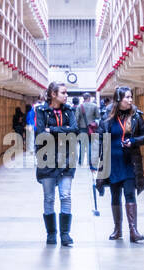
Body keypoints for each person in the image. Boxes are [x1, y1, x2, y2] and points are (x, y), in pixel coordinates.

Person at [97, 85, 144, 242]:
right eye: (127, 97)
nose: (131, 100)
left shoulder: (136, 116)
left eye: (131, 97)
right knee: (115, 195)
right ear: (118, 99)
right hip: (112, 162)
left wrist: (133, 141)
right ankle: (117, 229)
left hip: (129, 162)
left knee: (129, 193)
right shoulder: (107, 117)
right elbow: (100, 138)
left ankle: (133, 230)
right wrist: (97, 163)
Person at [33, 81, 80, 246]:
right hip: (47, 160)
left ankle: (65, 234)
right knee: (49, 198)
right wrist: (63, 131)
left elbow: (74, 131)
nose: (67, 96)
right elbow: (40, 133)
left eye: (67, 93)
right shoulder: (41, 111)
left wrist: (51, 130)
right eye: (63, 93)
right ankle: (51, 233)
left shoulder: (69, 111)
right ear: (53, 94)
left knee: (65, 196)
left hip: (67, 159)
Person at [77, 93, 101, 169]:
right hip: (92, 128)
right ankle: (91, 163)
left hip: (82, 128)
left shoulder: (79, 106)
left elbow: (77, 118)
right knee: (91, 145)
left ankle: (81, 161)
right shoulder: (94, 106)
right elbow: (98, 117)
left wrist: (76, 129)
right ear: (89, 98)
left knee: (82, 145)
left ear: (83, 98)